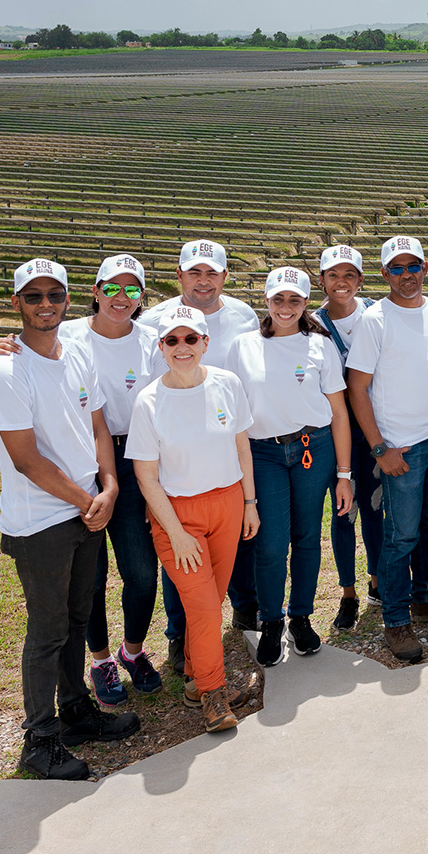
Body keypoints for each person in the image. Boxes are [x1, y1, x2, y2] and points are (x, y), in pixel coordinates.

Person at [0, 253, 171, 701]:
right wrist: (0, 344)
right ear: (93, 292)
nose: (120, 297)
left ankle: (133, 650)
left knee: (142, 573)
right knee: (88, 582)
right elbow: (28, 347)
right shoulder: (67, 336)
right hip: (83, 470)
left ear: (142, 296)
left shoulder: (150, 340)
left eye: (131, 289)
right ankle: (102, 661)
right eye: (111, 287)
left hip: (133, 459)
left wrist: (119, 482)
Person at [126, 305, 260, 733]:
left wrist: (250, 502)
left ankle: (192, 682)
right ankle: (214, 693)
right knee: (203, 609)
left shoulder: (227, 384)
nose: (181, 347)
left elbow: (242, 447)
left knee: (210, 604)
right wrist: (176, 532)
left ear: (205, 342)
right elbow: (146, 476)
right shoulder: (148, 401)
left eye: (190, 339)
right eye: (171, 340)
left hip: (227, 503)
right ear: (161, 347)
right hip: (177, 514)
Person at [215, 266, 353, 667]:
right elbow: (234, 412)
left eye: (295, 300)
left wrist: (344, 476)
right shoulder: (243, 346)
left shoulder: (320, 346)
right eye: (279, 299)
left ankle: (301, 616)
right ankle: (272, 619)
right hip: (264, 453)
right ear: (267, 300)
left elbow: (339, 413)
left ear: (306, 303)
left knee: (307, 537)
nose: (286, 307)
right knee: (271, 543)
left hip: (314, 448)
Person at [136, 238, 261, 635]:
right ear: (178, 275)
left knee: (238, 537)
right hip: (174, 454)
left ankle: (244, 610)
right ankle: (180, 634)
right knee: (181, 552)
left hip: (231, 437)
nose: (203, 282)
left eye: (211, 273)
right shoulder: (152, 320)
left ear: (225, 276)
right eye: (194, 272)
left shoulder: (244, 315)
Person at [346, 234, 428, 665]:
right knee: (401, 537)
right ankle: (396, 619)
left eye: (414, 267)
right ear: (384, 273)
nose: (406, 275)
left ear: (425, 269)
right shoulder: (375, 320)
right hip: (401, 447)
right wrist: (380, 448)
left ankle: (427, 598)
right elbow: (358, 389)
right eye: (397, 268)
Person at [313, 245, 378, 632]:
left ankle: (376, 582)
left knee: (374, 508)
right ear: (322, 280)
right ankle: (348, 591)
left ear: (360, 279)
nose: (342, 282)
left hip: (373, 426)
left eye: (349, 274)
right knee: (343, 511)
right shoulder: (312, 323)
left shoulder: (375, 312)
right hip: (335, 431)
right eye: (333, 275)